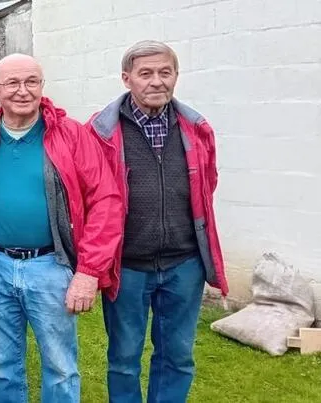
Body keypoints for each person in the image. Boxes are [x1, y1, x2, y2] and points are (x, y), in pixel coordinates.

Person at [0, 53, 123, 403]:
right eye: (13, 83)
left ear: (42, 86)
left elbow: (107, 202)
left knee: (61, 367)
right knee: (2, 364)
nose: (23, 91)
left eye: (31, 82)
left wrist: (89, 272)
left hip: (52, 266)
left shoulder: (71, 135)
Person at [85, 40, 228, 403]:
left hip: (184, 264)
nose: (156, 81)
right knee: (124, 359)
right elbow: (89, 197)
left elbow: (205, 186)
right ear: (126, 78)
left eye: (165, 72)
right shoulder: (100, 133)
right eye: (145, 73)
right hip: (127, 267)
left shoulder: (196, 129)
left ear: (176, 75)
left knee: (177, 357)